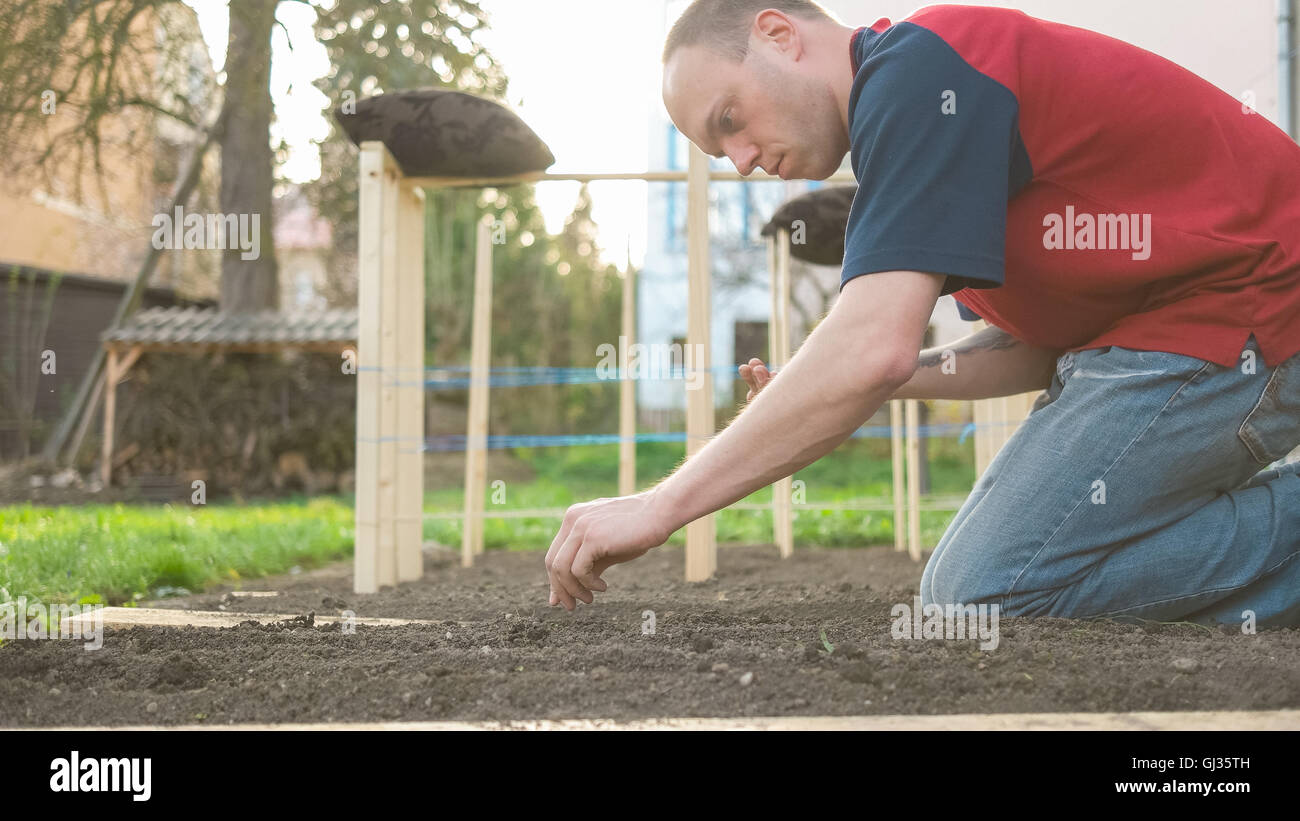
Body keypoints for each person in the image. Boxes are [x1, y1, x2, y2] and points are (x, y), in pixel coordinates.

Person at [545, 1, 1300, 628]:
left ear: (778, 33)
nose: (740, 159)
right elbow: (1032, 348)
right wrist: (875, 381)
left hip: (1251, 307)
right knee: (985, 591)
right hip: (1186, 331)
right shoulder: (921, 122)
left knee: (981, 595)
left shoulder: (923, 69)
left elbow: (871, 342)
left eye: (731, 119)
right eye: (720, 152)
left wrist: (659, 504)